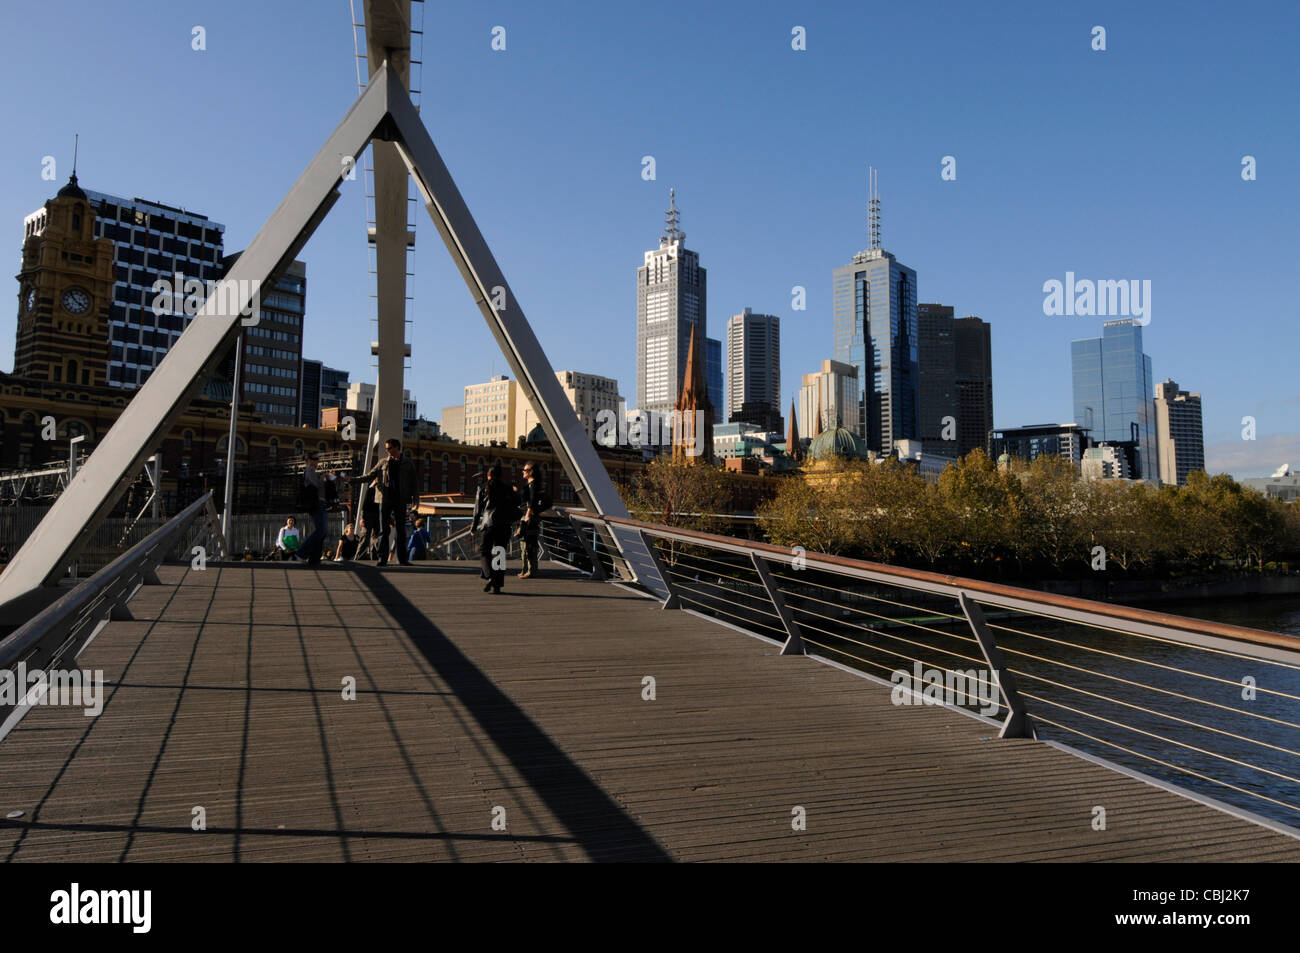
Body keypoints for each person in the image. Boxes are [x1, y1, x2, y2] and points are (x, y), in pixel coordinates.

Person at [361, 438, 417, 567]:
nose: (387, 450)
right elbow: (370, 475)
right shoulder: (383, 462)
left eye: (389, 448)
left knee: (401, 530)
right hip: (385, 499)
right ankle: (382, 559)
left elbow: (414, 482)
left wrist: (416, 499)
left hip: (400, 499)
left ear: (397, 448)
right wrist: (352, 480)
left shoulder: (408, 463)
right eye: (386, 448)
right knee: (384, 530)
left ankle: (402, 559)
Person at [471, 462, 518, 594]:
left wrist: (473, 527)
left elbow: (477, 511)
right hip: (503, 525)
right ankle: (497, 585)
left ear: (488, 475)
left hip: (488, 525)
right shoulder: (507, 488)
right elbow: (517, 502)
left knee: (485, 553)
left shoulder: (482, 487)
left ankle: (490, 575)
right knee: (500, 553)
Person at [517, 461, 551, 578]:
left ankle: (531, 571)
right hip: (528, 516)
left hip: (530, 518)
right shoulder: (530, 484)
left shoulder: (533, 485)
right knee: (524, 544)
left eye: (525, 470)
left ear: (531, 472)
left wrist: (527, 515)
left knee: (529, 545)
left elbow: (532, 501)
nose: (523, 471)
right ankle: (525, 569)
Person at [296, 452, 329, 566]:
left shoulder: (312, 471)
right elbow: (316, 485)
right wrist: (323, 478)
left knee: (322, 531)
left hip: (319, 502)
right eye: (316, 459)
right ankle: (302, 553)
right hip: (316, 503)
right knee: (321, 530)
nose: (318, 461)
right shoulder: (309, 470)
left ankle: (314, 558)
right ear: (309, 460)